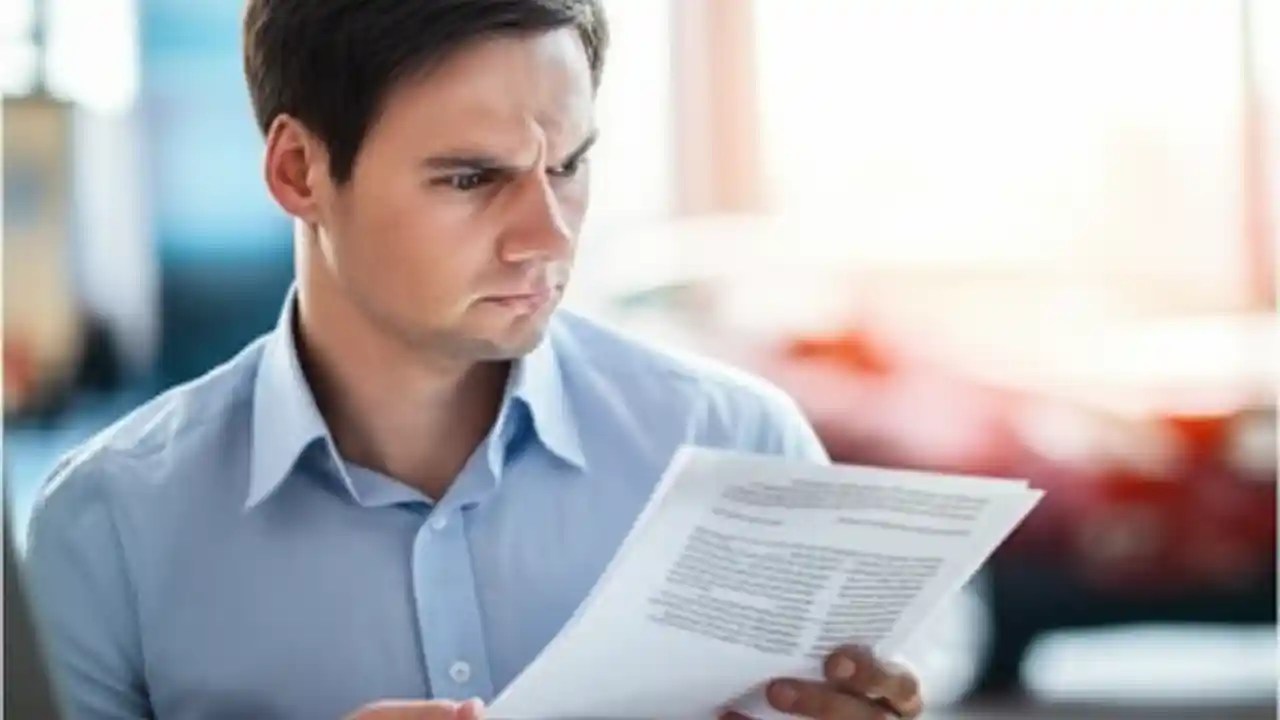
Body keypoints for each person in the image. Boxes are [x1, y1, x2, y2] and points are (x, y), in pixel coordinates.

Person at [24, 1, 925, 718]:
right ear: (299, 171)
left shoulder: (744, 449)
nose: (548, 237)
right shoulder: (110, 527)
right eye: (471, 178)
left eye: (567, 166)